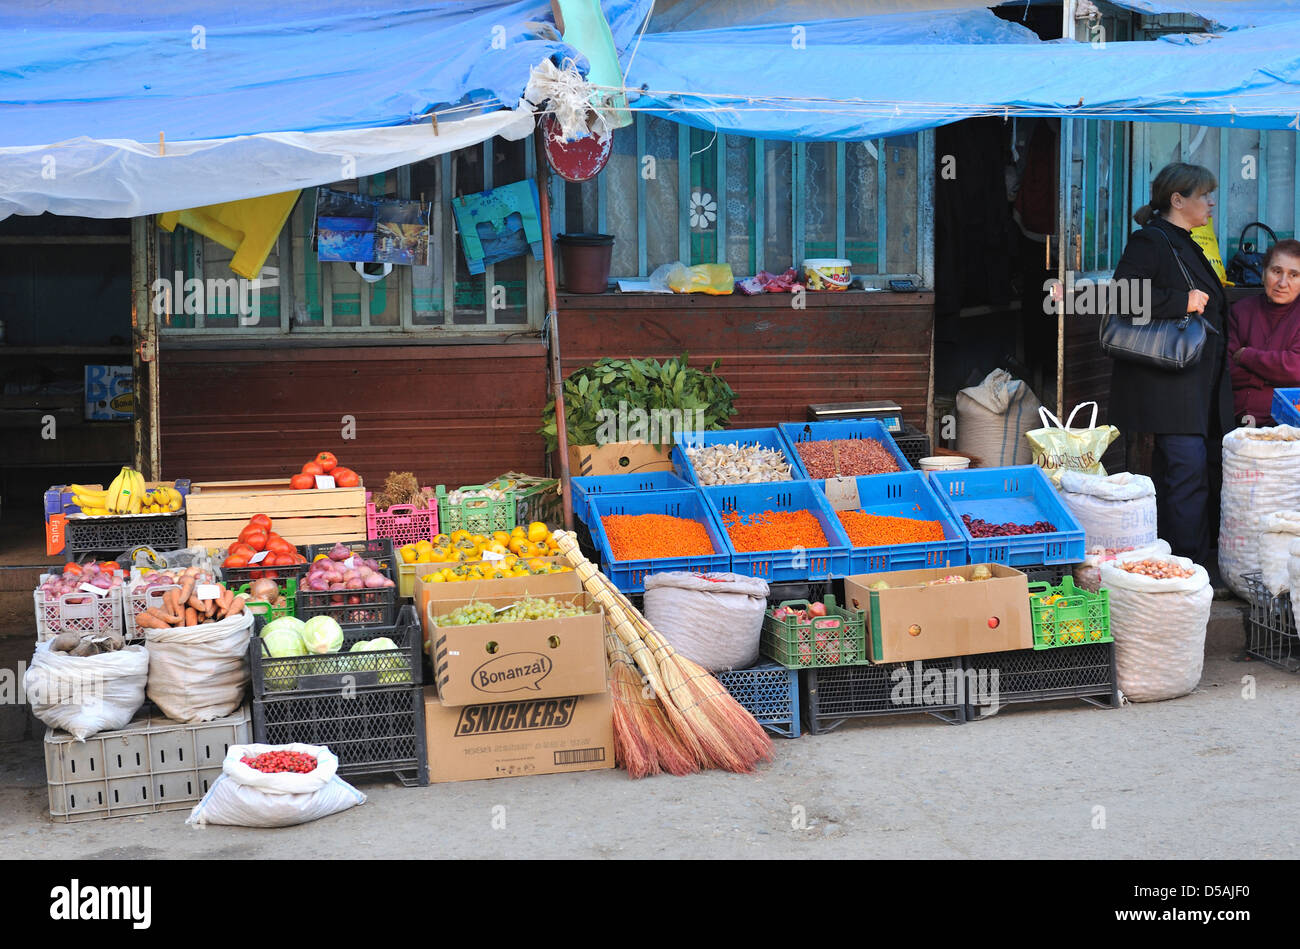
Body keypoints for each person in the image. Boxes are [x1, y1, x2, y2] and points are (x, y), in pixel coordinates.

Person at [1107, 163, 1233, 592]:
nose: (1211, 202)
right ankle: (1191, 570)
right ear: (1177, 200)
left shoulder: (1183, 241)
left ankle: (1180, 566)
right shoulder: (1151, 240)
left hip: (1189, 385)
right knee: (1186, 474)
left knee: (1184, 474)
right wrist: (1183, 300)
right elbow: (1121, 295)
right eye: (1203, 195)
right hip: (1167, 388)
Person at [1228, 239, 1300, 426]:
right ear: (1263, 274)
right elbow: (1226, 371)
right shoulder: (1241, 311)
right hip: (1238, 422)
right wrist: (1275, 378)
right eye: (1276, 272)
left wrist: (1246, 356)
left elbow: (1295, 369)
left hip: (1289, 425)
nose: (1282, 283)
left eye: (1293, 275)